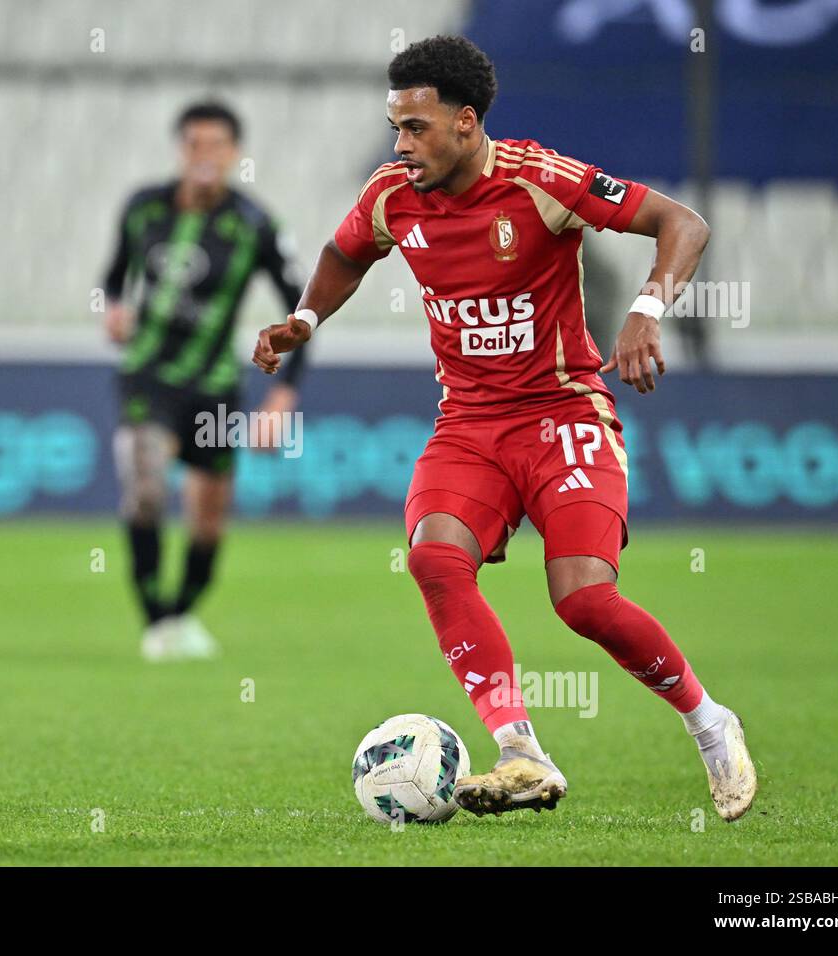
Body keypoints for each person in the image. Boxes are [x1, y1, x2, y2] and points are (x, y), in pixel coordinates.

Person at [252, 36, 757, 821]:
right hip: (469, 424)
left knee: (582, 601)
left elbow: (681, 222)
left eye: (415, 128)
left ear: (465, 121)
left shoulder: (539, 180)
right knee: (434, 558)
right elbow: (344, 252)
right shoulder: (392, 195)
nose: (400, 145)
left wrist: (646, 311)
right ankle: (522, 751)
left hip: (563, 414)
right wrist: (307, 318)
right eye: (394, 127)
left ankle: (710, 722)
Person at [103, 102, 307, 661]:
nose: (205, 155)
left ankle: (181, 614)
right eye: (195, 144)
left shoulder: (255, 225)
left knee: (208, 519)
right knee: (145, 488)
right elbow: (113, 276)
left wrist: (281, 398)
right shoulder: (144, 209)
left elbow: (303, 311)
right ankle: (155, 622)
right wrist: (113, 307)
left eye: (217, 145)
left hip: (215, 387)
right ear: (181, 148)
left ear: (234, 153)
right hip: (148, 375)